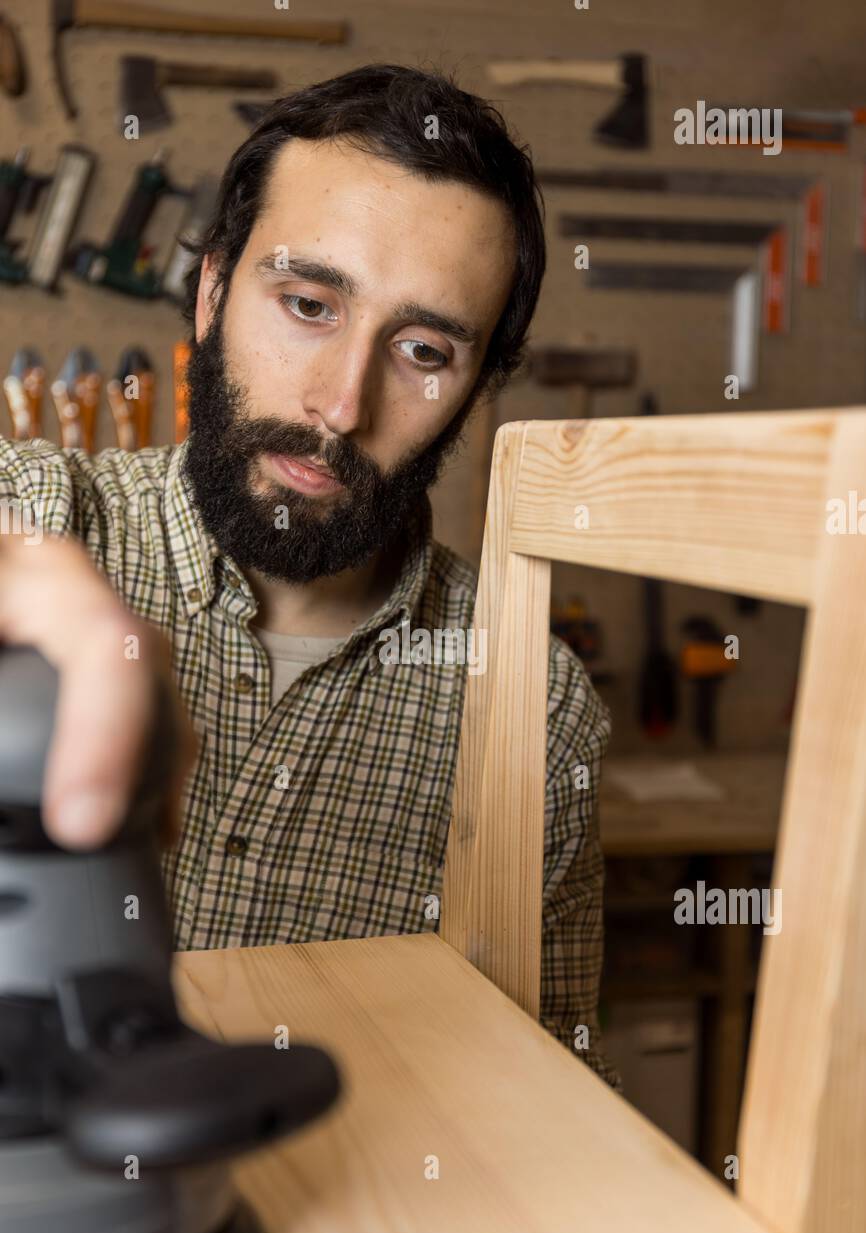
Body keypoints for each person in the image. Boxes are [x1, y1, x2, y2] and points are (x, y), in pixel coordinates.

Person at [0, 64, 620, 1090]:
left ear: (475, 392)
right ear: (208, 292)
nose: (340, 403)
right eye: (305, 303)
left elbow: (539, 1105)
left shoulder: (531, 714)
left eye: (421, 348)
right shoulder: (39, 508)